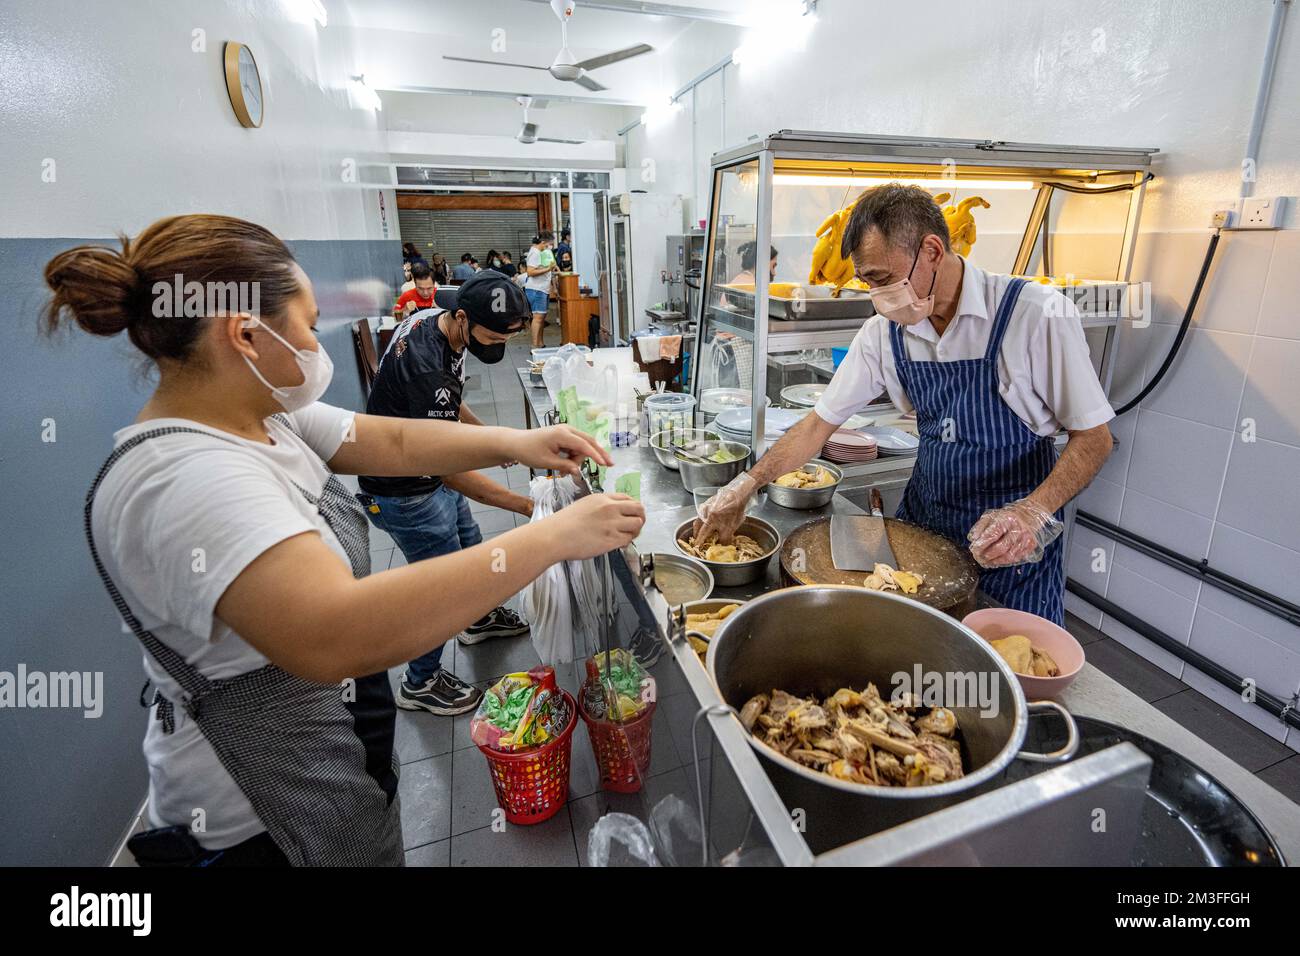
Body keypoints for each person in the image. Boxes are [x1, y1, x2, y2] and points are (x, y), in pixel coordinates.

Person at [47, 213, 644, 866]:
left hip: (330, 758)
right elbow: (341, 633)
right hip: (262, 822)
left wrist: (516, 442)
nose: (315, 344)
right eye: (305, 324)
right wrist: (555, 535)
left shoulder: (261, 410)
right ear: (243, 333)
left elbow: (382, 437)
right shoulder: (187, 482)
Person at [697, 185, 1114, 625]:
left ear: (932, 250)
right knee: (912, 661)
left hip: (1010, 549)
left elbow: (1094, 438)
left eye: (882, 278)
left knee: (1006, 675)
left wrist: (1031, 513)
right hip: (923, 535)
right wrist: (745, 485)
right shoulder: (887, 332)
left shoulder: (1035, 315)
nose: (878, 295)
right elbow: (817, 426)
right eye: (868, 281)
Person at [358, 271, 535, 715]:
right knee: (442, 587)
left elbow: (448, 402)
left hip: (422, 474)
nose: (497, 346)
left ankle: (477, 618)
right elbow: (448, 470)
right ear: (462, 318)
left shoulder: (434, 321)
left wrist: (493, 437)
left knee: (469, 544)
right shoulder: (427, 364)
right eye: (492, 337)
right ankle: (420, 681)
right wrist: (525, 505)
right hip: (404, 492)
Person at [524, 231, 557, 348]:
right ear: (543, 242)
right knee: (537, 318)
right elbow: (530, 272)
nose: (550, 246)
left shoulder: (540, 252)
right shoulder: (535, 253)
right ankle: (534, 346)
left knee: (541, 318)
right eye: (549, 244)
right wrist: (548, 269)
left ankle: (540, 343)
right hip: (536, 289)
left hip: (542, 289)